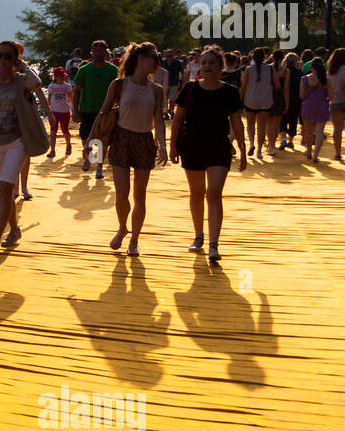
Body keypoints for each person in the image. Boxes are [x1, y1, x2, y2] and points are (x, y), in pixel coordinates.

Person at [170, 46, 246, 264]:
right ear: (199, 68)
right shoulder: (190, 89)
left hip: (219, 147)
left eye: (212, 63)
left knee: (213, 193)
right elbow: (177, 119)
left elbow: (236, 122)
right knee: (196, 193)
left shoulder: (230, 92)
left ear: (221, 67)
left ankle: (214, 244)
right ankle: (198, 235)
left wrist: (242, 149)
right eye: (203, 63)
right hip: (192, 145)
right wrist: (173, 146)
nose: (207, 66)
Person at [96, 42, 167, 256]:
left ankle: (134, 240)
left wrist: (163, 145)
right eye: (155, 58)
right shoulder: (119, 84)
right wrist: (92, 141)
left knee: (140, 195)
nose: (159, 63)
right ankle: (122, 228)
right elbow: (103, 113)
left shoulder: (156, 90)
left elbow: (159, 119)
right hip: (121, 139)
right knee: (121, 194)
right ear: (142, 59)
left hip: (144, 141)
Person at [0, 40, 41, 257]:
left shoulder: (21, 81)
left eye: (8, 57)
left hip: (17, 142)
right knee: (5, 192)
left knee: (4, 190)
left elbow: (37, 82)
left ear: (15, 59)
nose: (2, 60)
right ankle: (15, 229)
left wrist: (22, 66)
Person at [71, 39, 118, 180]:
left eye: (101, 50)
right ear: (92, 52)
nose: (98, 52)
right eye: (95, 50)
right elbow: (77, 91)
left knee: (103, 139)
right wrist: (75, 110)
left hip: (105, 111)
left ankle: (99, 167)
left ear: (106, 52)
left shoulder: (113, 70)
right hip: (86, 109)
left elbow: (119, 91)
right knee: (86, 137)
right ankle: (88, 158)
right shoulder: (84, 70)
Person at [11, 41, 51, 200]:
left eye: (18, 53)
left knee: (26, 151)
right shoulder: (5, 72)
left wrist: (49, 112)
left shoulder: (27, 72)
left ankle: (23, 186)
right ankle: (14, 187)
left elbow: (39, 90)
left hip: (26, 113)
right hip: (11, 115)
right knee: (13, 151)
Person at [239, 47, 274, 157]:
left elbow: (243, 86)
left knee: (250, 124)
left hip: (250, 100)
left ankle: (252, 143)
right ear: (264, 57)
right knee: (262, 126)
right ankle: (259, 151)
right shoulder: (270, 69)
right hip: (265, 100)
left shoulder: (249, 69)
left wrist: (240, 99)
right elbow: (277, 85)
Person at [300, 56, 331, 161]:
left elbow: (302, 96)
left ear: (311, 67)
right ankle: (316, 154)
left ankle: (309, 151)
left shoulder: (304, 79)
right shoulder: (326, 80)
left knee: (308, 131)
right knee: (319, 132)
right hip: (322, 107)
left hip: (308, 107)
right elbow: (330, 96)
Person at [45, 66, 73, 159]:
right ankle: (52, 150)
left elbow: (71, 98)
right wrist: (49, 108)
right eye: (59, 76)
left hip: (65, 111)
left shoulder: (67, 86)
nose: (61, 78)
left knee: (65, 130)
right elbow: (49, 98)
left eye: (62, 76)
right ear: (55, 77)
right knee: (53, 131)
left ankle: (68, 145)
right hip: (54, 111)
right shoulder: (52, 86)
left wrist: (73, 109)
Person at [280, 52, 303, 150]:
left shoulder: (282, 72)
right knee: (293, 120)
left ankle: (283, 139)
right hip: (296, 99)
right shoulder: (300, 73)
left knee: (283, 119)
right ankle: (290, 141)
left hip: (284, 98)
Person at [162, 49, 185, 118]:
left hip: (174, 83)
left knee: (172, 99)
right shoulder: (163, 62)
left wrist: (180, 82)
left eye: (170, 56)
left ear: (173, 56)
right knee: (164, 99)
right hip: (165, 83)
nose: (169, 57)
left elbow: (181, 73)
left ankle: (171, 111)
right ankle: (165, 112)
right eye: (167, 56)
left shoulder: (178, 63)